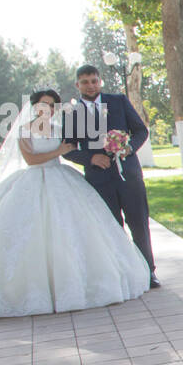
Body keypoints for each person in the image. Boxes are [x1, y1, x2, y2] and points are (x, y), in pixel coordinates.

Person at [0, 89, 151, 319]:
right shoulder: (25, 131)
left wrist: (109, 144)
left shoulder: (58, 129)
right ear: (35, 107)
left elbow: (74, 148)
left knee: (72, 231)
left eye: (53, 105)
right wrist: (59, 150)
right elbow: (31, 159)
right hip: (33, 180)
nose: (49, 109)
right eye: (45, 104)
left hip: (62, 179)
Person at [61, 64, 159, 288]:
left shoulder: (118, 101)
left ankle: (149, 272)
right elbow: (68, 148)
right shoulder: (72, 113)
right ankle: (123, 273)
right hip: (99, 179)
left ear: (100, 81)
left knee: (139, 223)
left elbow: (141, 130)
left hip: (129, 175)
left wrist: (129, 148)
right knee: (111, 227)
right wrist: (90, 159)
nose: (91, 85)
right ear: (78, 85)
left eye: (94, 80)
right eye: (85, 82)